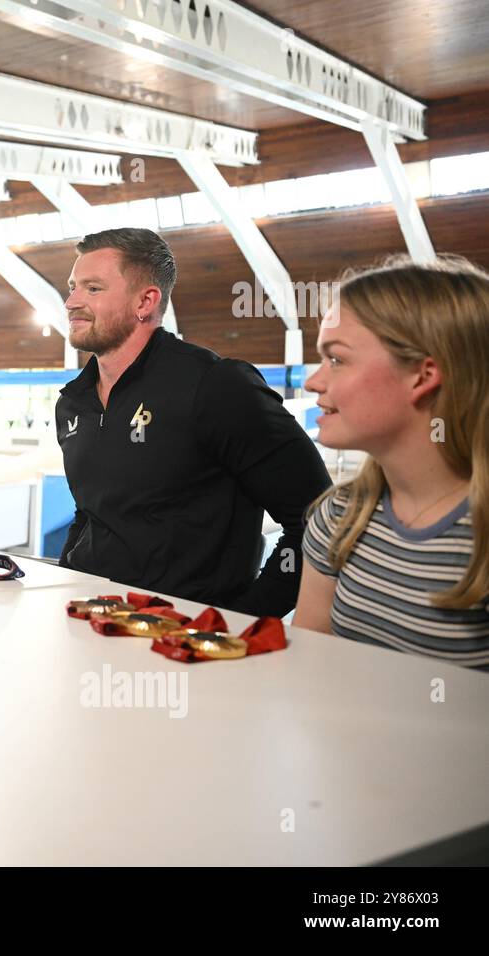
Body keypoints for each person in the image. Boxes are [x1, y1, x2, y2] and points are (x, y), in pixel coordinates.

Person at [55, 227, 331, 617]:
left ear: (145, 301)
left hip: (182, 645)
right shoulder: (73, 403)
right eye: (72, 287)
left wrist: (242, 619)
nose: (71, 302)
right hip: (88, 623)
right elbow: (90, 513)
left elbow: (317, 520)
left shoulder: (216, 387)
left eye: (93, 289)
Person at [295, 255, 489, 669]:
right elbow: (309, 673)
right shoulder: (341, 517)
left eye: (337, 359)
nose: (314, 381)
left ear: (422, 375)